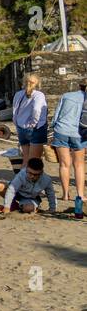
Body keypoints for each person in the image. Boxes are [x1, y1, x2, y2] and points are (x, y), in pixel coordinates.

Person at [49, 81, 86, 218]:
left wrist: (53, 128)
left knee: (64, 164)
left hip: (62, 131)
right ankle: (80, 195)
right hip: (79, 133)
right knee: (79, 165)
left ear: (79, 86)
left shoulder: (66, 95)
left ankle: (65, 194)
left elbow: (56, 115)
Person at [11, 73, 48, 169]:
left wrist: (17, 123)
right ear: (37, 83)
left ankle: (22, 179)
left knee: (26, 158)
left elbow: (15, 111)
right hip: (35, 128)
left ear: (24, 82)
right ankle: (29, 181)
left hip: (21, 127)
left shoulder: (18, 94)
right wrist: (34, 123)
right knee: (35, 160)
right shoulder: (39, 95)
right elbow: (36, 109)